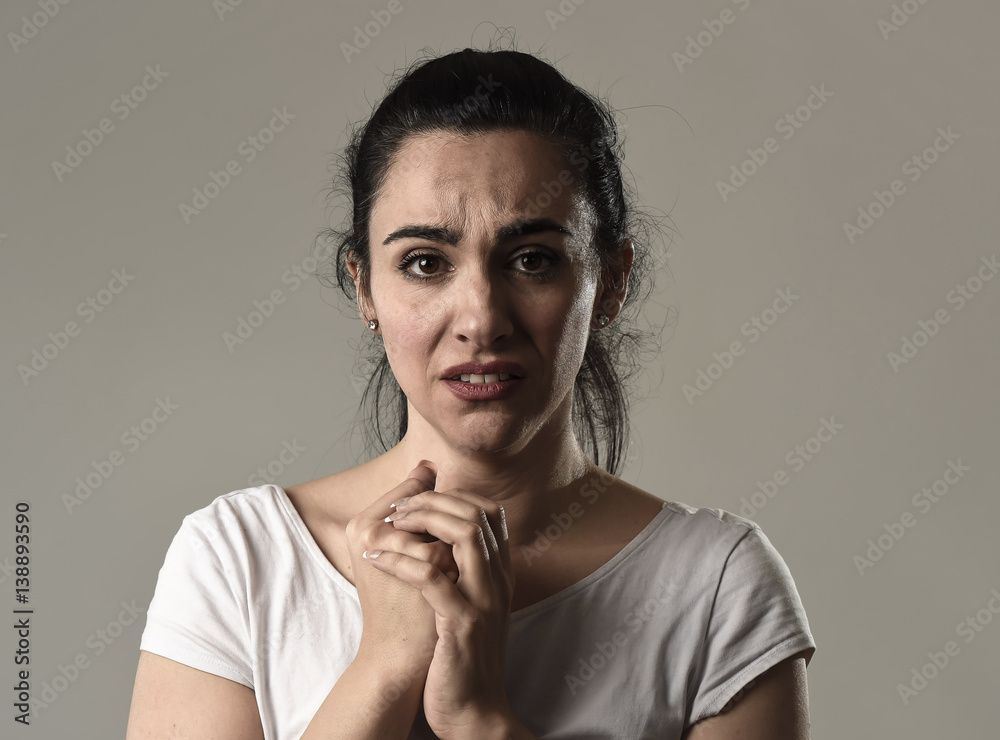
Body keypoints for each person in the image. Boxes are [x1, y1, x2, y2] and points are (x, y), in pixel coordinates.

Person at [126, 44, 816, 740]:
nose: (482, 318)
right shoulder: (239, 559)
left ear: (610, 282)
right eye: (425, 263)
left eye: (533, 260)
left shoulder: (717, 587)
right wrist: (386, 666)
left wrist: (483, 722)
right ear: (364, 286)